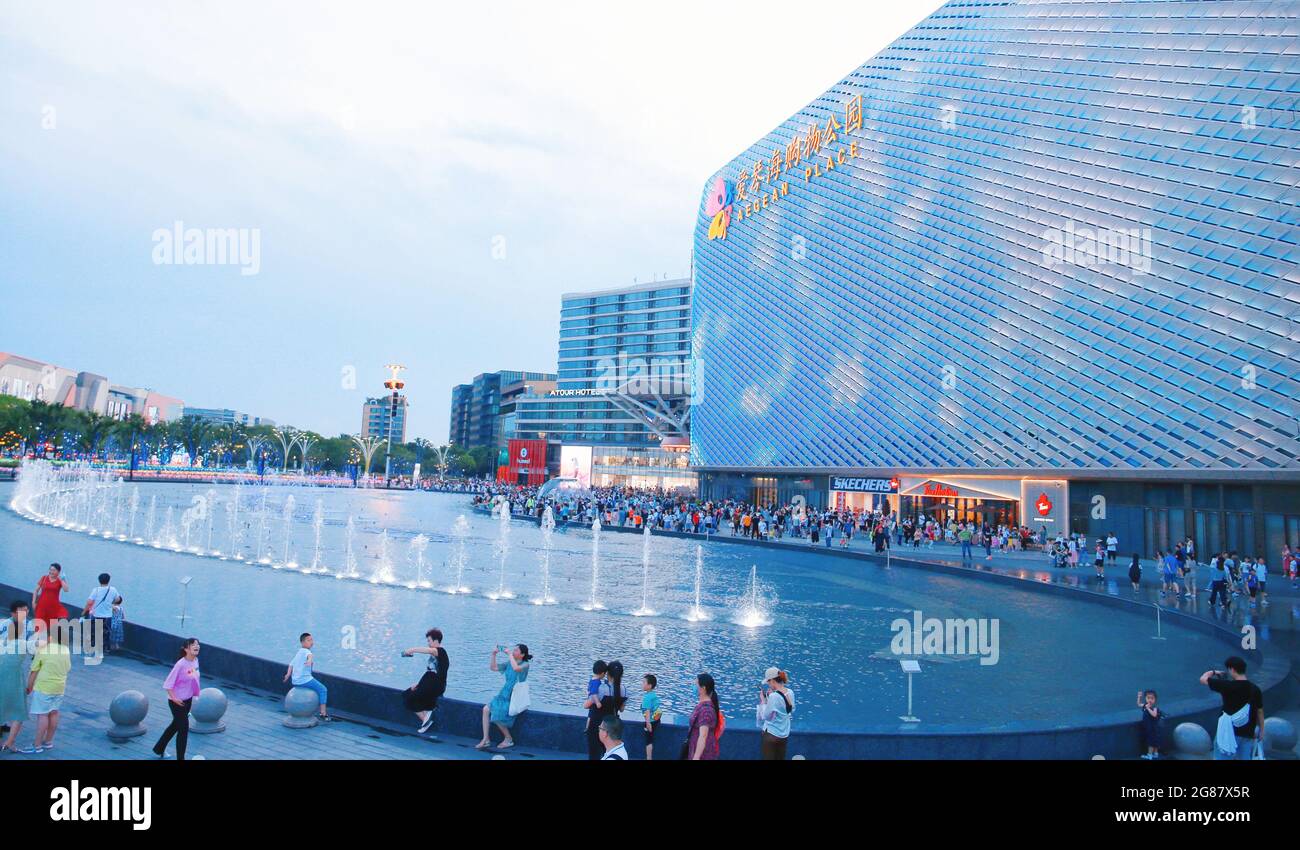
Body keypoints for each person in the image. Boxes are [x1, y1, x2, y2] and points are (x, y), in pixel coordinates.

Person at [20, 626, 72, 754]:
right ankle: (48, 742)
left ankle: (36, 745)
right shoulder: (65, 650)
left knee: (42, 715)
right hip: (59, 688)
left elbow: (34, 671)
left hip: (44, 687)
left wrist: (29, 687)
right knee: (54, 713)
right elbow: (68, 667)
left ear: (50, 637)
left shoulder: (44, 650)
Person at [1200, 657, 1263, 761]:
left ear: (1232, 669)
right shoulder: (1255, 689)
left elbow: (1203, 679)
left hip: (1228, 732)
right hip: (1248, 733)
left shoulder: (1227, 686)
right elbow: (1260, 711)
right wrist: (1262, 731)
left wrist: (1214, 672)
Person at [153, 638, 201, 761]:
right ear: (186, 649)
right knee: (183, 729)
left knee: (175, 725)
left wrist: (195, 695)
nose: (197, 646)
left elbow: (193, 678)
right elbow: (168, 684)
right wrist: (174, 698)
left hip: (188, 700)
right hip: (176, 702)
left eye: (197, 644)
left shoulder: (195, 661)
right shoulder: (180, 664)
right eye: (193, 644)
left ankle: (159, 748)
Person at [477, 643, 530, 750]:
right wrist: (493, 654)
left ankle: (508, 738)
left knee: (496, 715)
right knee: (486, 709)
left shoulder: (525, 665)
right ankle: (486, 739)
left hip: (514, 696)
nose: (513, 652)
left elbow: (516, 668)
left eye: (516, 651)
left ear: (522, 655)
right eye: (513, 650)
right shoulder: (509, 663)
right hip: (504, 693)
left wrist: (509, 655)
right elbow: (493, 668)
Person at [0, 601, 34, 753]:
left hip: (14, 668)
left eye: (27, 610)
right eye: (22, 611)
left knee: (13, 703)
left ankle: (9, 741)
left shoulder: (29, 626)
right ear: (13, 613)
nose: (25, 613)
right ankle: (8, 740)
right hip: (7, 667)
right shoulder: (4, 625)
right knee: (14, 704)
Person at [402, 628, 449, 733]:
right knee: (407, 695)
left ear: (436, 640)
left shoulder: (440, 651)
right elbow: (430, 671)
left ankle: (426, 720)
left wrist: (411, 650)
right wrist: (419, 684)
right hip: (429, 683)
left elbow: (429, 651)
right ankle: (425, 720)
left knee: (410, 698)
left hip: (435, 685)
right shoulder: (435, 654)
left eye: (429, 641)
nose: (428, 643)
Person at [284, 632, 331, 722]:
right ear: (302, 642)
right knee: (323, 689)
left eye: (312, 640)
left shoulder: (299, 652)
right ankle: (323, 713)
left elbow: (291, 664)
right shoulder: (307, 652)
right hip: (304, 680)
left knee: (317, 687)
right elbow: (310, 656)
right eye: (308, 640)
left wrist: (288, 675)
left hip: (295, 681)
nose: (311, 642)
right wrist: (309, 660)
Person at [757, 667, 794, 760]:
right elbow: (791, 709)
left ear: (773, 680)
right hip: (784, 735)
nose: (768, 684)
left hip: (771, 735)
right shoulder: (790, 692)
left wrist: (764, 701)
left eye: (768, 682)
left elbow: (766, 716)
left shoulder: (774, 696)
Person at [83, 573, 120, 655]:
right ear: (108, 580)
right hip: (107, 616)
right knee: (106, 632)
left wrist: (84, 611)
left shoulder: (96, 590)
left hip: (96, 615)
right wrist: (109, 604)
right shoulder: (113, 589)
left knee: (94, 631)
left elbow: (89, 602)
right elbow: (117, 599)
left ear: (99, 581)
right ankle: (105, 649)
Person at [686, 673, 720, 760]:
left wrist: (696, 757)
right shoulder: (702, 706)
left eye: (695, 684)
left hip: (703, 754)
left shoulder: (706, 710)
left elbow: (703, 735)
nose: (693, 687)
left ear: (703, 688)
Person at [583, 660, 610, 760]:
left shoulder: (592, 680)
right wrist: (597, 702)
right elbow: (593, 694)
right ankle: (587, 728)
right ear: (603, 673)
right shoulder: (597, 683)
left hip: (593, 715)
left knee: (590, 714)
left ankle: (587, 727)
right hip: (595, 710)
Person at [32, 563, 69, 632]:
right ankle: (36, 640)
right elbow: (36, 590)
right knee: (38, 624)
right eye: (50, 569)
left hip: (53, 607)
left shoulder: (59, 580)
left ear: (58, 572)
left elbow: (66, 590)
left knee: (50, 626)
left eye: (54, 570)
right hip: (41, 605)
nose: (51, 572)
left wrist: (63, 579)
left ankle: (47, 640)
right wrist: (33, 602)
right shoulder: (44, 578)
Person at [640, 673, 662, 760]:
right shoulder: (653, 695)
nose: (642, 684)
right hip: (656, 720)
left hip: (651, 721)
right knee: (651, 738)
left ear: (649, 685)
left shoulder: (647, 697)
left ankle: (649, 758)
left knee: (648, 740)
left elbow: (647, 710)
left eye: (643, 682)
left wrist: (648, 723)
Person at [1137, 690, 1162, 760]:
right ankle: (1155, 754)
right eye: (1148, 698)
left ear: (1155, 700)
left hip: (1153, 728)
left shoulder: (1155, 708)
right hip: (1147, 727)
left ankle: (1150, 755)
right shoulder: (1145, 705)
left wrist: (1148, 708)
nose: (1150, 700)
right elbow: (1139, 704)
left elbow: (1154, 715)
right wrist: (1139, 697)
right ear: (1145, 698)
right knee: (1153, 740)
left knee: (1151, 741)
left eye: (1152, 698)